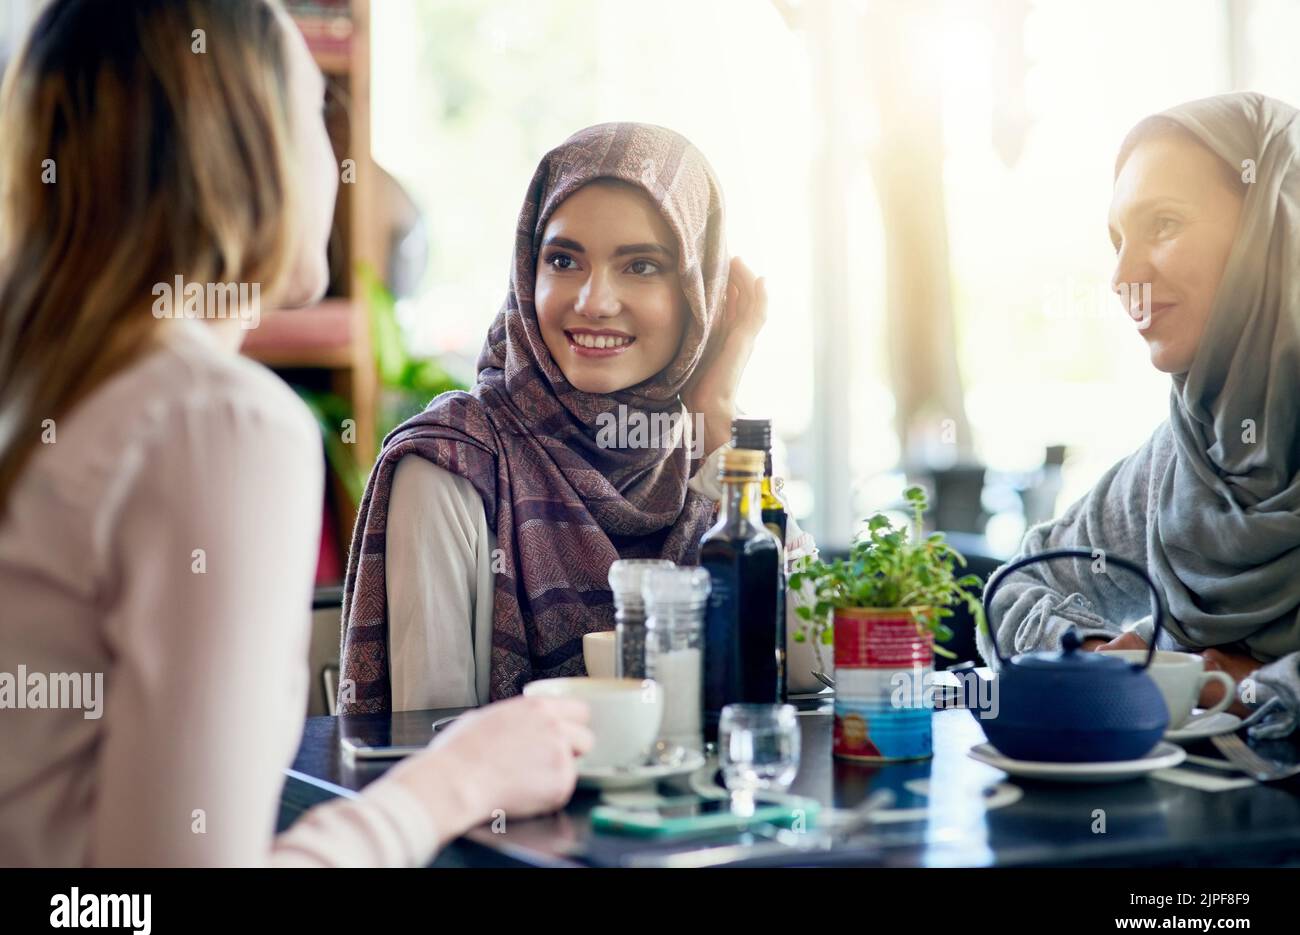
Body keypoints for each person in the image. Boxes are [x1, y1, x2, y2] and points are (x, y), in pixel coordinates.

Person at [0, 0, 591, 867]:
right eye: (318, 110)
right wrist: (452, 782)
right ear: (240, 142)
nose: (344, 163)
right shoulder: (214, 421)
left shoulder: (47, 389)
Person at [339, 123, 817, 713]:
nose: (593, 301)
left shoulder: (721, 454)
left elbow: (807, 661)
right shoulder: (452, 465)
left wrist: (717, 416)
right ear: (526, 272)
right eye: (563, 259)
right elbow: (431, 741)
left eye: (640, 266)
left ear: (700, 291)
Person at [979, 93, 1300, 736]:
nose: (1124, 275)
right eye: (1117, 240)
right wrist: (1095, 655)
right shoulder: (1184, 461)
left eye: (1163, 225)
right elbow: (1014, 586)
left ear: (1271, 228)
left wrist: (1253, 687)